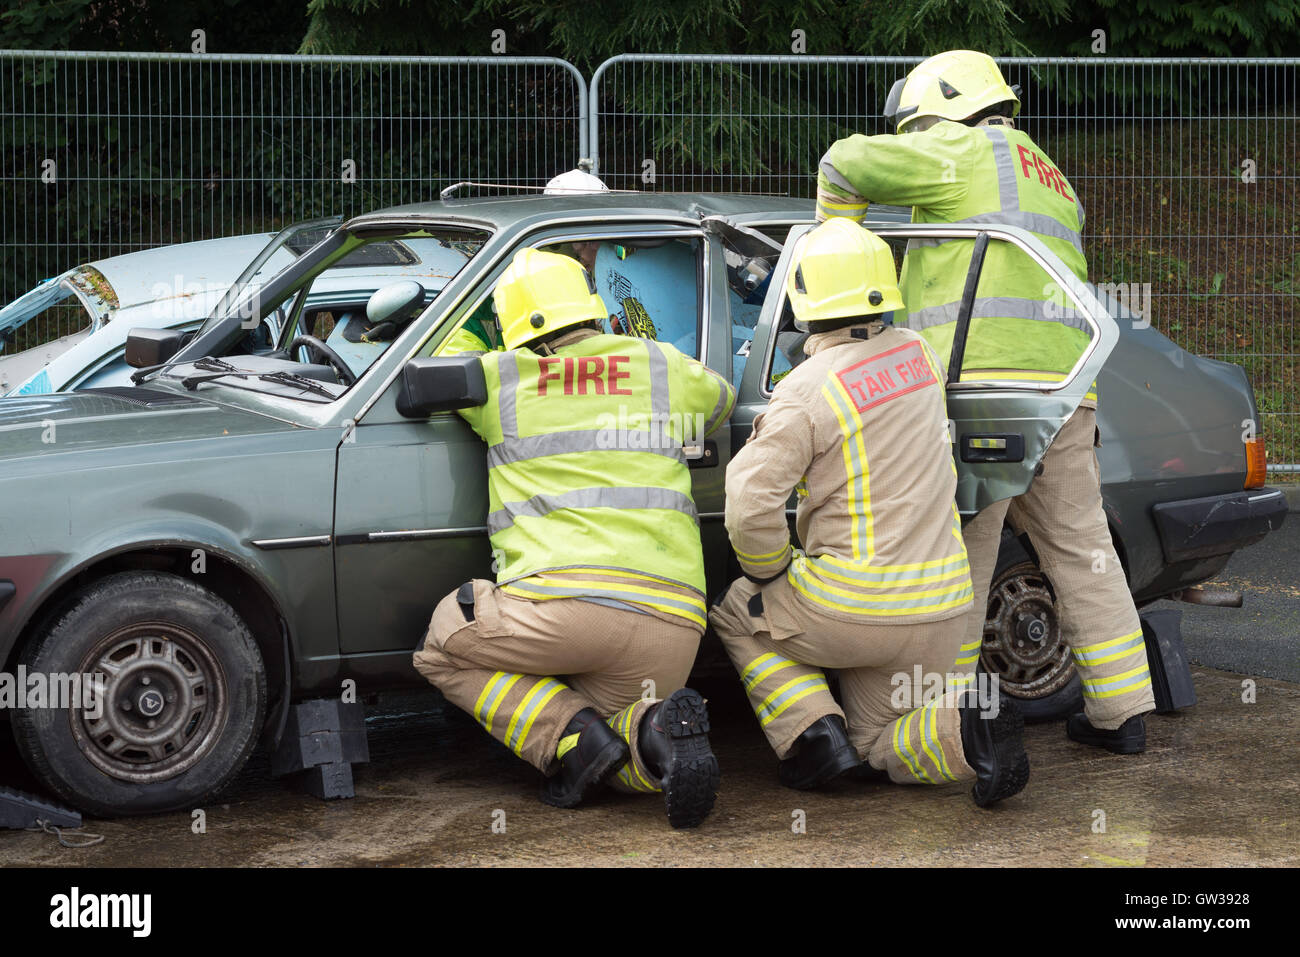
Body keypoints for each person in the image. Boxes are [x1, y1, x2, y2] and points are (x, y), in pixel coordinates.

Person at [815, 49, 1155, 753]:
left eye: (916, 125)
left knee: (961, 556)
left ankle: (946, 727)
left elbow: (842, 162)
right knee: (1084, 551)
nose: (914, 140)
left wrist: (836, 246)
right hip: (1063, 394)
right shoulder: (1049, 174)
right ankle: (1122, 714)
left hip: (979, 393)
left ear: (941, 106)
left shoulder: (961, 150)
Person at [709, 218, 1029, 807]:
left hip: (851, 608)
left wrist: (770, 571)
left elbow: (749, 504)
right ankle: (968, 734)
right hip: (942, 610)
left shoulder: (806, 390)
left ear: (804, 303)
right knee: (880, 738)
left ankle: (813, 738)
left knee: (737, 611)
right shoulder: (921, 355)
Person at [413, 247, 736, 828]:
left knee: (442, 646)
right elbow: (719, 398)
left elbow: (434, 362)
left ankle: (568, 735)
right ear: (593, 307)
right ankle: (658, 735)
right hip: (673, 625)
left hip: (562, 613)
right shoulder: (657, 365)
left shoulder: (502, 377)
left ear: (516, 326)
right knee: (623, 739)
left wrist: (480, 323)